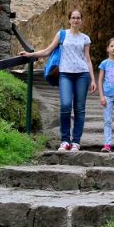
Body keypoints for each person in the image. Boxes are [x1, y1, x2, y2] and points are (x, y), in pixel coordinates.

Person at [20, 9, 96, 151]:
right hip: (65, 74)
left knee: (80, 109)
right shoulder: (62, 35)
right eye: (73, 18)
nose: (75, 20)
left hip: (82, 75)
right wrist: (31, 54)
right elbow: (47, 51)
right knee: (66, 105)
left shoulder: (85, 38)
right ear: (69, 20)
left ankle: (76, 142)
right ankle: (65, 140)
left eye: (78, 18)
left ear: (81, 20)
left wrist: (93, 79)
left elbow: (87, 59)